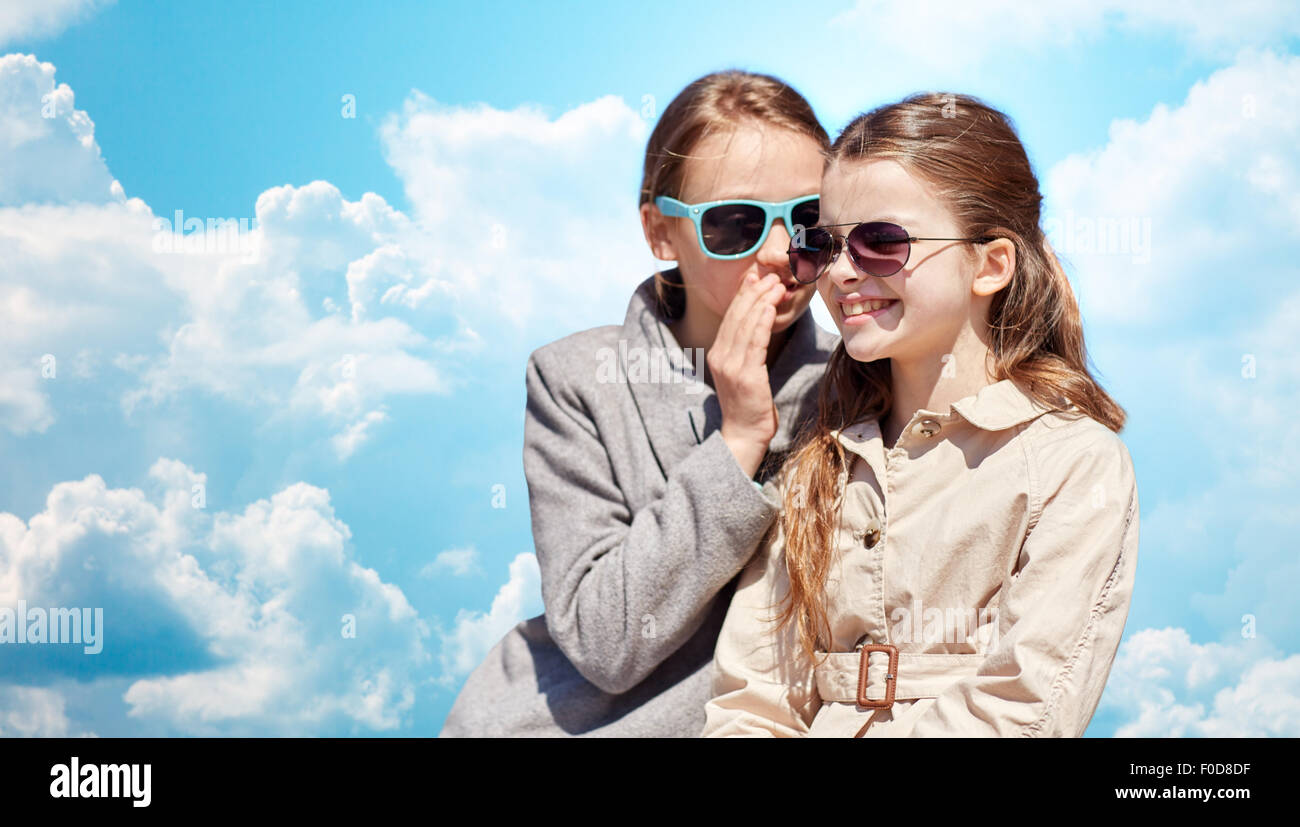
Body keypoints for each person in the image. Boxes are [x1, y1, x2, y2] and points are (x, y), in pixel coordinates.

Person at [703, 92, 1140, 737]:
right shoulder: (814, 464)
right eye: (824, 244)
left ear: (990, 265)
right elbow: (751, 701)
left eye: (882, 241)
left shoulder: (1074, 465)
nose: (841, 273)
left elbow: (1021, 711)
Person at [439, 70, 839, 736]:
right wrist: (737, 441)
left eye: (807, 222)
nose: (778, 253)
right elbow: (605, 642)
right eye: (736, 224)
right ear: (660, 233)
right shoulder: (573, 380)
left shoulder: (861, 383)